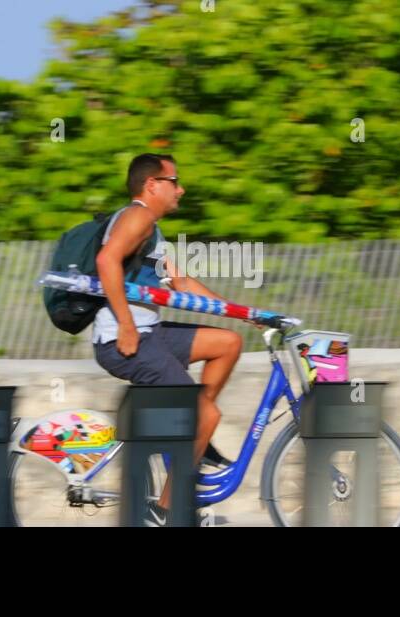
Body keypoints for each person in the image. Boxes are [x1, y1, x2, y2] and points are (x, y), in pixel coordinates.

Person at [93, 153, 241, 526]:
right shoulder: (138, 216)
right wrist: (126, 324)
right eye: (174, 181)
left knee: (228, 343)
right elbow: (106, 261)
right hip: (123, 340)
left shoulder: (151, 228)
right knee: (206, 413)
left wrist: (240, 312)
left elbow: (181, 284)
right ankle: (163, 512)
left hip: (150, 333)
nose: (181, 189)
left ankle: (194, 438)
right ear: (152, 185)